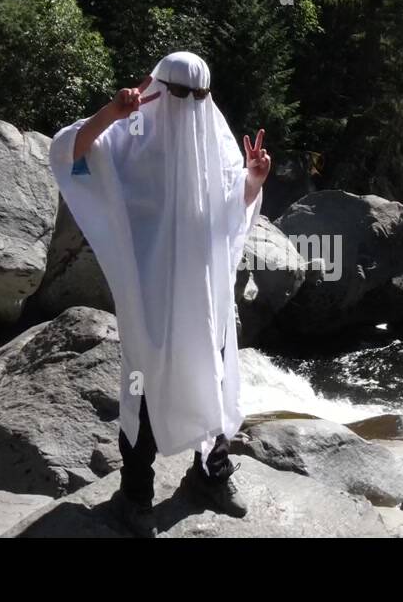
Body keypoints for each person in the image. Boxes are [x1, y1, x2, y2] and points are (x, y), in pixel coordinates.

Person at [48, 52, 270, 537]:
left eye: (200, 97)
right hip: (150, 296)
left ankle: (210, 474)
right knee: (144, 389)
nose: (191, 105)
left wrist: (252, 182)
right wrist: (111, 112)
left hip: (206, 294)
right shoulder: (129, 136)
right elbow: (70, 153)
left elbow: (233, 211)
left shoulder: (214, 140)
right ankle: (135, 495)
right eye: (182, 94)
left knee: (209, 373)